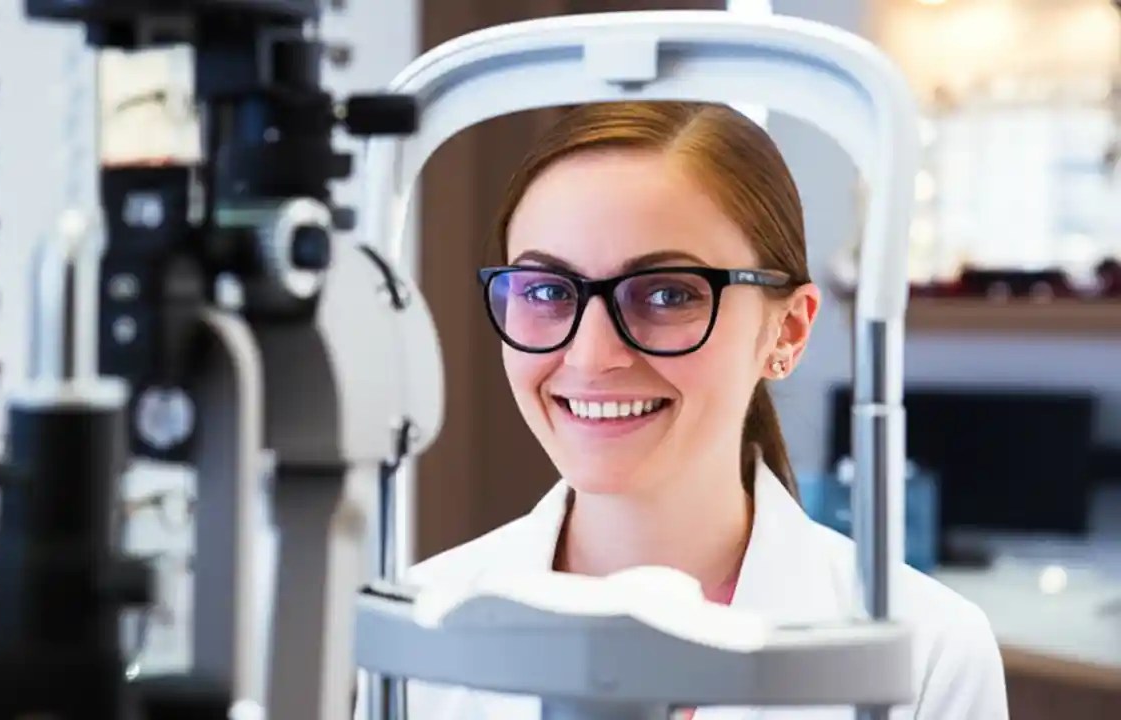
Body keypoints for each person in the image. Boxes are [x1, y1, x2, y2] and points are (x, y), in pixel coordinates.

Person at [373, 101, 1009, 719]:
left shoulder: (929, 655)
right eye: (545, 290)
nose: (592, 356)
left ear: (786, 330)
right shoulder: (412, 629)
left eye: (668, 292)